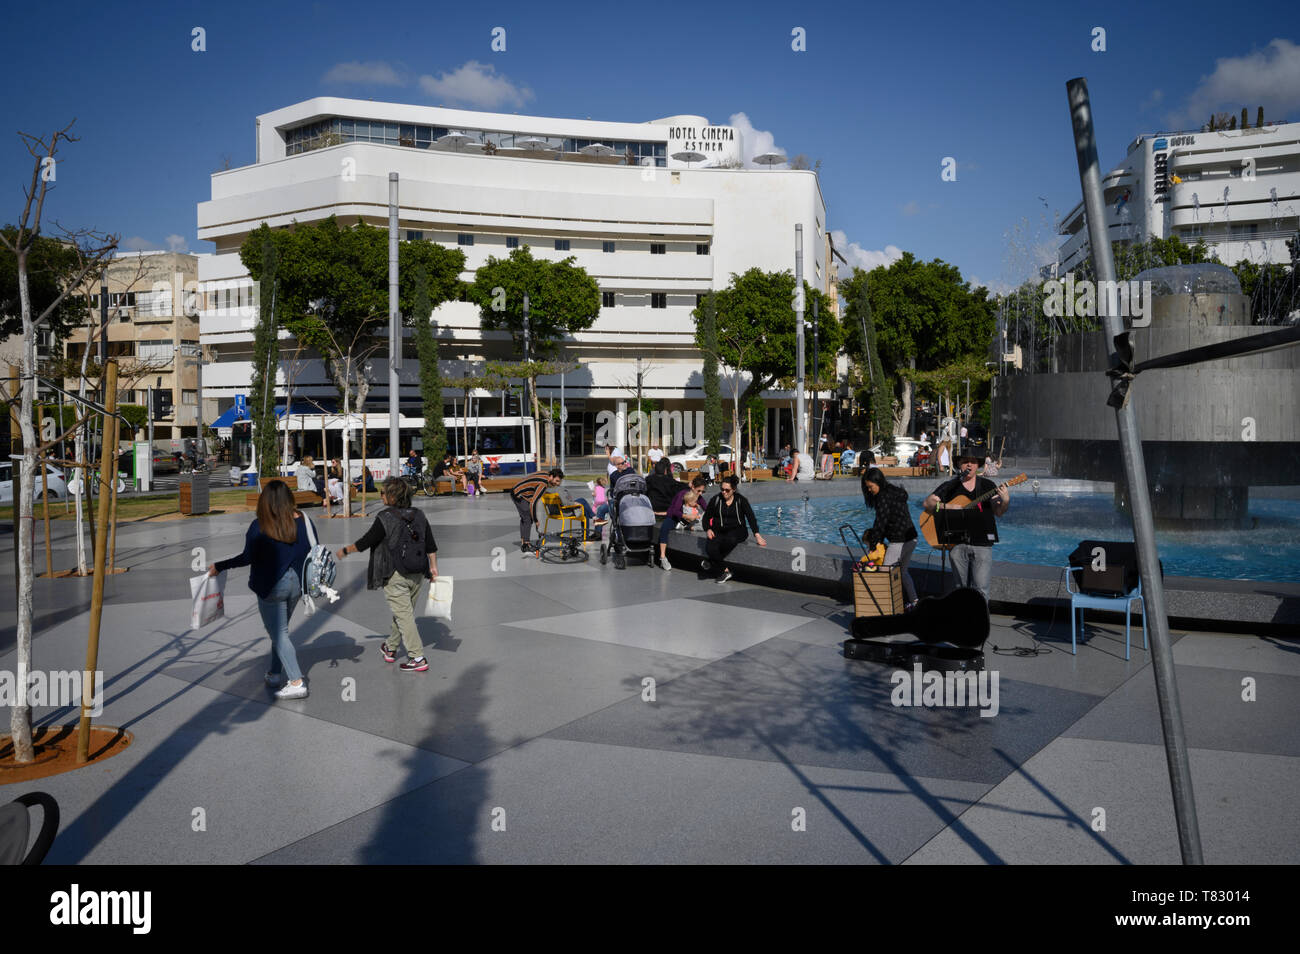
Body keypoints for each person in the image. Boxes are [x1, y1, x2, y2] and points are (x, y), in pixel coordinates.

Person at [207, 480, 312, 699]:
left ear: (265, 501)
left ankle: (296, 681)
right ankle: (275, 674)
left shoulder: (260, 525)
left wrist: (219, 566)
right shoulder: (303, 520)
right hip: (297, 585)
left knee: (279, 633)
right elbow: (312, 550)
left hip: (271, 586)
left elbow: (247, 558)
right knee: (280, 631)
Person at [335, 477, 438, 673]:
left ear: (392, 496)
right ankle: (390, 648)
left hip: (395, 573)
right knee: (403, 614)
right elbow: (431, 545)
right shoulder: (419, 515)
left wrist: (345, 550)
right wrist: (433, 568)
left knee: (404, 616)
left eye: (383, 493)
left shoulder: (385, 517)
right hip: (418, 572)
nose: (381, 496)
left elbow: (366, 542)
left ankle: (417, 657)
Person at [922, 454, 1011, 602]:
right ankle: (961, 623)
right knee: (959, 589)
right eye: (965, 462)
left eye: (973, 462)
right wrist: (948, 506)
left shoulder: (987, 486)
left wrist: (1005, 500)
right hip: (957, 543)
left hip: (982, 543)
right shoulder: (950, 486)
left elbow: (999, 512)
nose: (969, 465)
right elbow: (928, 504)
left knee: (981, 589)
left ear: (978, 466)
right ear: (959, 465)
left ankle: (980, 623)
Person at [861, 466, 920, 610]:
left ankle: (886, 607)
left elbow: (881, 522)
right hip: (912, 538)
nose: (869, 490)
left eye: (870, 487)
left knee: (885, 572)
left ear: (878, 482)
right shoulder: (894, 491)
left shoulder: (883, 497)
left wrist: (873, 544)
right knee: (902, 572)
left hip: (899, 541)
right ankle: (915, 602)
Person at [702, 474, 766, 583]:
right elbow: (706, 517)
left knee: (730, 540)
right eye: (722, 489)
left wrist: (757, 535)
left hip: (738, 530)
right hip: (719, 530)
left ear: (734, 489)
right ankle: (726, 571)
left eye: (727, 490)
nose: (724, 492)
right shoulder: (716, 499)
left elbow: (751, 517)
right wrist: (708, 529)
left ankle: (711, 561)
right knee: (710, 548)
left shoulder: (741, 500)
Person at [658, 475, 707, 570]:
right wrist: (686, 516)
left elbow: (707, 509)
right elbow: (675, 511)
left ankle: (687, 526)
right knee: (664, 528)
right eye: (699, 491)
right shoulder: (683, 494)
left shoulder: (699, 497)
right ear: (692, 487)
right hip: (674, 518)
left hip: (687, 520)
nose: (700, 493)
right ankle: (662, 557)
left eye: (702, 491)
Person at [510, 467, 565, 551]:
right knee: (527, 518)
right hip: (518, 494)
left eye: (559, 482)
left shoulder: (546, 474)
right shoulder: (543, 484)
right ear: (551, 477)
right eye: (556, 481)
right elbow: (533, 503)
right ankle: (526, 544)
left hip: (523, 493)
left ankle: (524, 541)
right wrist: (536, 520)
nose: (557, 484)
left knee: (525, 518)